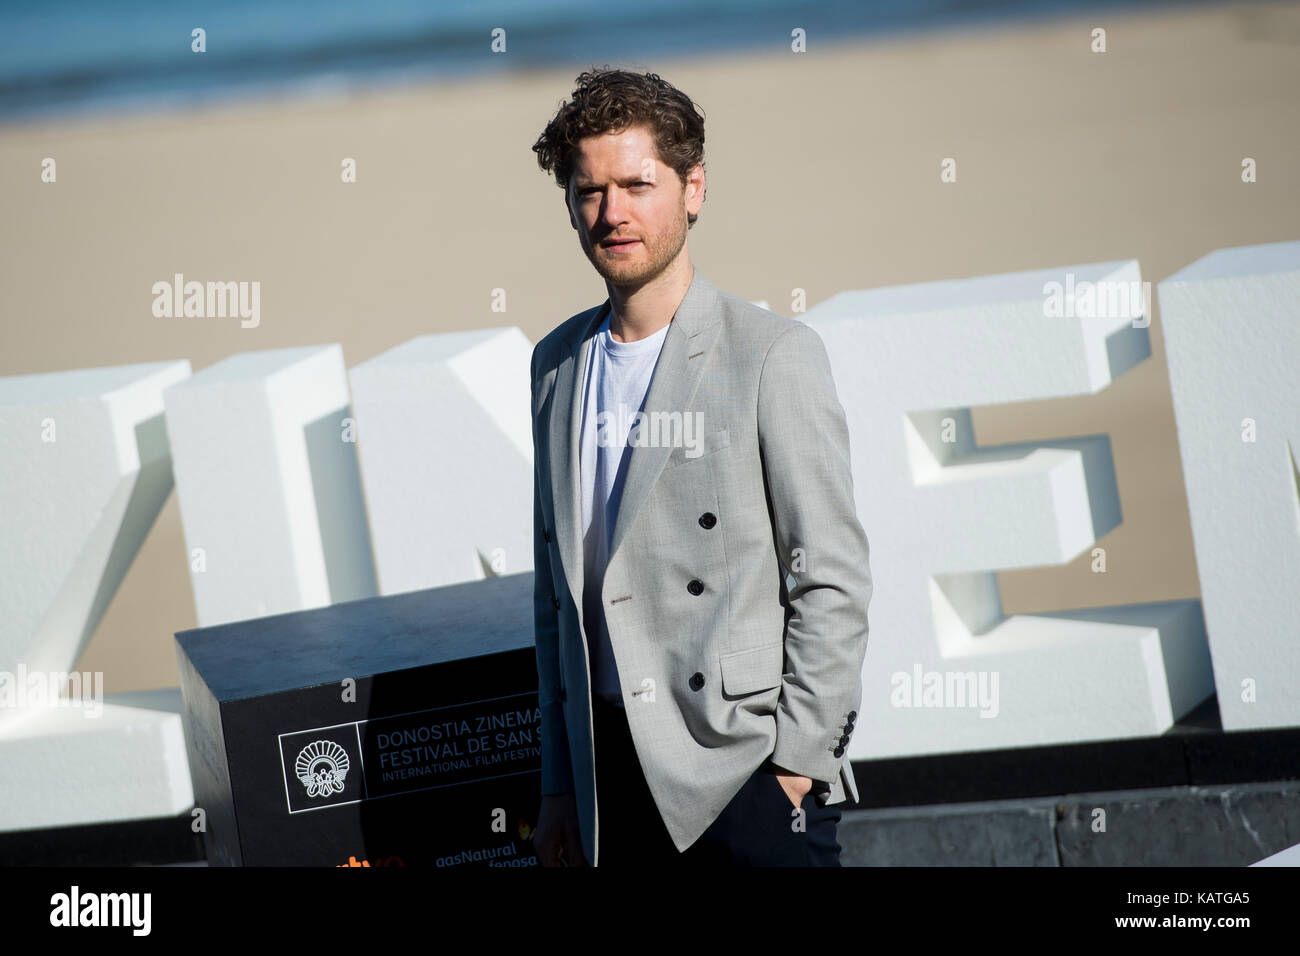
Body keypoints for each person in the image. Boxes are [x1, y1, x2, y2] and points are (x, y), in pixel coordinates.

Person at [528, 67, 872, 867]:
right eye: (589, 191)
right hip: (607, 779)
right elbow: (553, 599)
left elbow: (831, 575)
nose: (612, 214)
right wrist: (557, 785)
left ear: (693, 189)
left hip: (741, 770)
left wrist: (796, 765)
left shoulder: (771, 355)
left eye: (637, 185)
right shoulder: (555, 365)